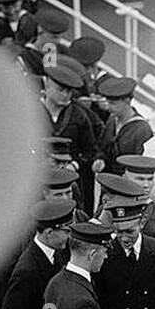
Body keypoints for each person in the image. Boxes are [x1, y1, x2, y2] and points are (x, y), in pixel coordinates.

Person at [39, 62, 100, 213]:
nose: (66, 95)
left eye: (69, 91)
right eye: (61, 90)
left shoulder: (80, 115)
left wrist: (74, 165)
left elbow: (90, 150)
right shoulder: (31, 111)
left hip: (71, 180)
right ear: (47, 86)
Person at [116, 155, 155, 238]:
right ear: (125, 178)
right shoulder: (111, 208)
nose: (146, 185)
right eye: (140, 179)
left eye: (150, 179)